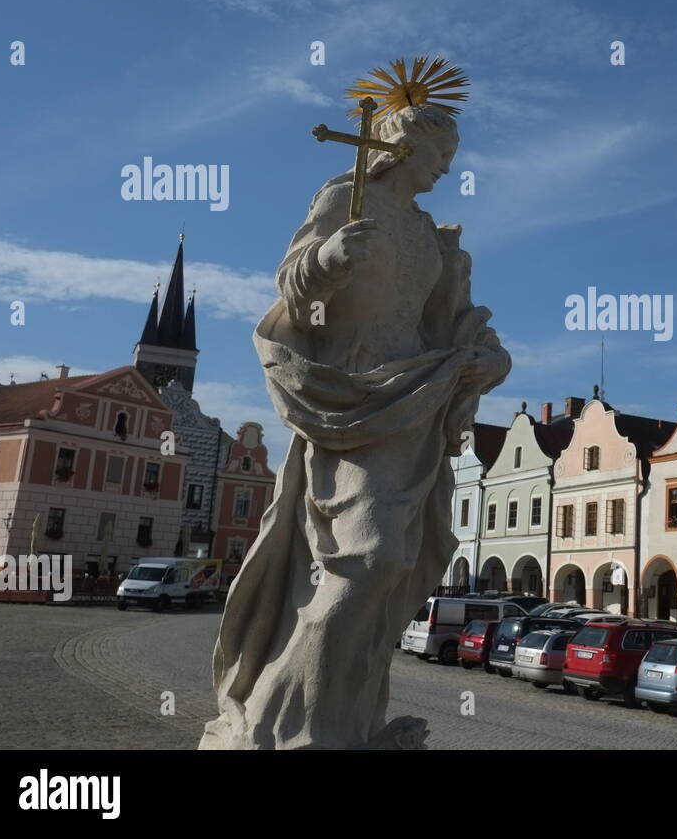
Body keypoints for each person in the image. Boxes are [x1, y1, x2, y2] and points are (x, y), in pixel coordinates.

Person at [200, 89, 510, 749]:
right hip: (349, 393)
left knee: (394, 566)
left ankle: (348, 721)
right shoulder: (345, 199)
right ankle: (289, 725)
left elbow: (445, 324)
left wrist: (483, 355)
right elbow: (293, 287)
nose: (446, 169)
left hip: (414, 400)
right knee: (367, 558)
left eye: (452, 156)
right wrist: (329, 261)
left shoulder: (431, 236)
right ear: (402, 143)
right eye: (439, 152)